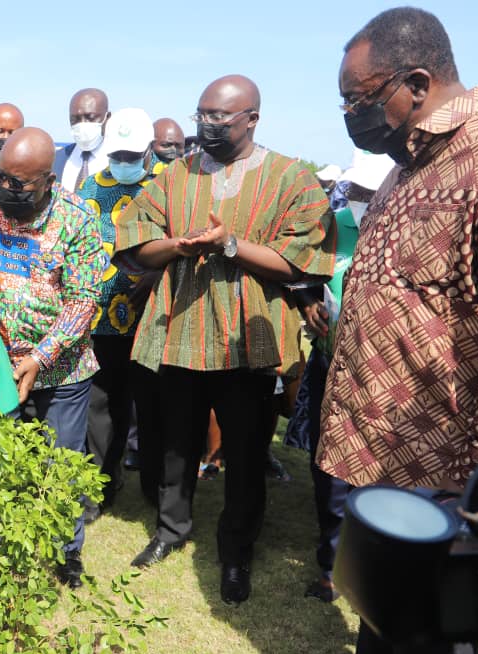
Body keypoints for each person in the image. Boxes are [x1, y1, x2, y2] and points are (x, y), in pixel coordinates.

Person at [321, 8, 478, 654]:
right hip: (385, 456)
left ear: (415, 83)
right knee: (385, 624)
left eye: (359, 100)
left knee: (431, 651)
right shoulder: (403, 169)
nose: (350, 116)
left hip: (451, 471)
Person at [115, 75, 335, 606]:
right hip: (180, 331)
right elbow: (135, 242)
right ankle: (171, 530)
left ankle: (236, 550)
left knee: (245, 448)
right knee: (176, 442)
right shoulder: (175, 175)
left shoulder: (291, 178)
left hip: (248, 339)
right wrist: (177, 246)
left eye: (220, 116)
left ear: (252, 119)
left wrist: (231, 244)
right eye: (202, 115)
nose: (208, 125)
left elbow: (301, 261)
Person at [0, 127, 103, 588]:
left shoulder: (78, 220)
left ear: (48, 180)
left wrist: (41, 358)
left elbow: (84, 300)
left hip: (61, 370)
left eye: (19, 183)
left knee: (62, 466)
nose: (6, 188)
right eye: (1, 177)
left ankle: (66, 553)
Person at [284, 150, 393, 603]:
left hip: (387, 377)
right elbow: (304, 276)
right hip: (332, 367)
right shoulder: (335, 224)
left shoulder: (408, 230)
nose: (365, 198)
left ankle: (375, 564)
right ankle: (332, 567)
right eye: (359, 190)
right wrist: (309, 301)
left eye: (373, 190)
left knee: (381, 473)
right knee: (330, 471)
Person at [76, 108, 166, 517]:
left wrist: (158, 273)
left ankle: (155, 487)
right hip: (100, 322)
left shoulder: (169, 185)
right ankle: (100, 487)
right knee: (101, 409)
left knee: (153, 409)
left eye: (132, 156)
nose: (124, 163)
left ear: (149, 150)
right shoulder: (91, 188)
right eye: (117, 156)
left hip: (154, 320)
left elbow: (186, 244)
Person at [54, 88, 111, 191]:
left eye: (91, 117)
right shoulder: (56, 160)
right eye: (75, 119)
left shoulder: (120, 162)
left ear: (107, 118)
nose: (82, 124)